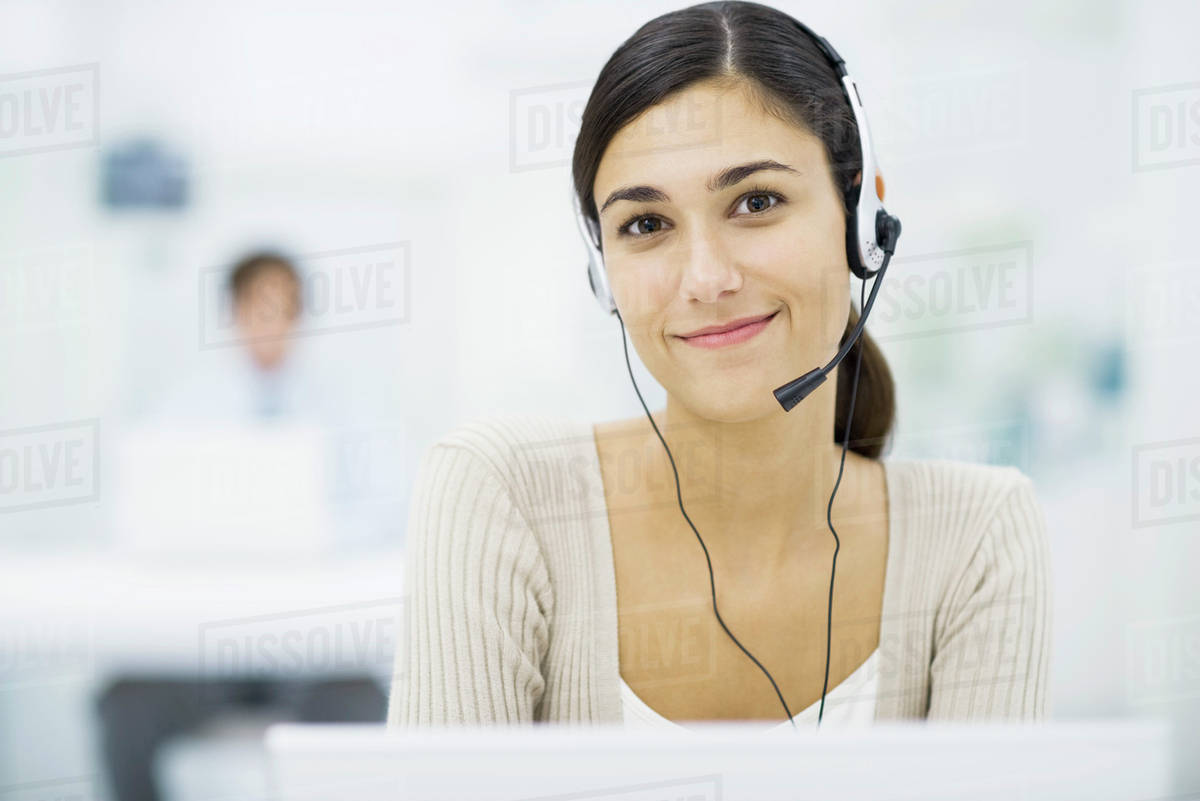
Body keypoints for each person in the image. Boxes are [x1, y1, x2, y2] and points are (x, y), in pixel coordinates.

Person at [386, 0, 1051, 730]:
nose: (705, 278)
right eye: (646, 224)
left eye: (756, 201)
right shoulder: (504, 497)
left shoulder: (975, 535)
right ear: (601, 270)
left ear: (860, 221)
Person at [97, 251, 385, 801]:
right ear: (234, 313)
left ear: (301, 317)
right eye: (259, 307)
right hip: (204, 645)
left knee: (361, 702)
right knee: (124, 706)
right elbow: (143, 516)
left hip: (308, 644)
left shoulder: (348, 409)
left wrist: (309, 534)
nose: (271, 324)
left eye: (284, 309)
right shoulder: (185, 408)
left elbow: (382, 512)